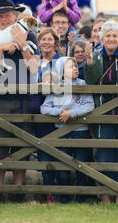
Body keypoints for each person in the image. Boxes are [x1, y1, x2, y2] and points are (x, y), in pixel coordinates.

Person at [0, 0, 40, 202]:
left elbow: (34, 69)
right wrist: (0, 50)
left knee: (22, 144)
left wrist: (23, 45)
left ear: (16, 16)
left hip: (24, 98)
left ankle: (18, 191)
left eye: (7, 15)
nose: (4, 19)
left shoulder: (31, 36)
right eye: (0, 16)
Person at [84, 20, 118, 203]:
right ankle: (105, 195)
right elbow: (91, 82)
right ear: (102, 38)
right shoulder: (96, 56)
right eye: (107, 35)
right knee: (104, 156)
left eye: (115, 35)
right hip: (103, 114)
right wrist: (90, 62)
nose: (111, 38)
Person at [40, 57, 94, 203]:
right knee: (63, 165)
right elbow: (44, 108)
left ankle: (81, 196)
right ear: (62, 72)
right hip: (61, 133)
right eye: (70, 67)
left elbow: (89, 105)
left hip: (81, 131)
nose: (76, 68)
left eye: (76, 66)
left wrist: (71, 113)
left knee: (82, 164)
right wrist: (60, 112)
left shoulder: (83, 85)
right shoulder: (57, 87)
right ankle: (65, 196)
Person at [30, 28, 61, 202]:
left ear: (55, 41)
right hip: (39, 109)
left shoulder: (62, 60)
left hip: (57, 109)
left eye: (50, 39)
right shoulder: (36, 60)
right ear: (39, 42)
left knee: (58, 151)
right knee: (43, 151)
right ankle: (49, 191)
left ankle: (60, 191)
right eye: (43, 39)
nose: (46, 42)